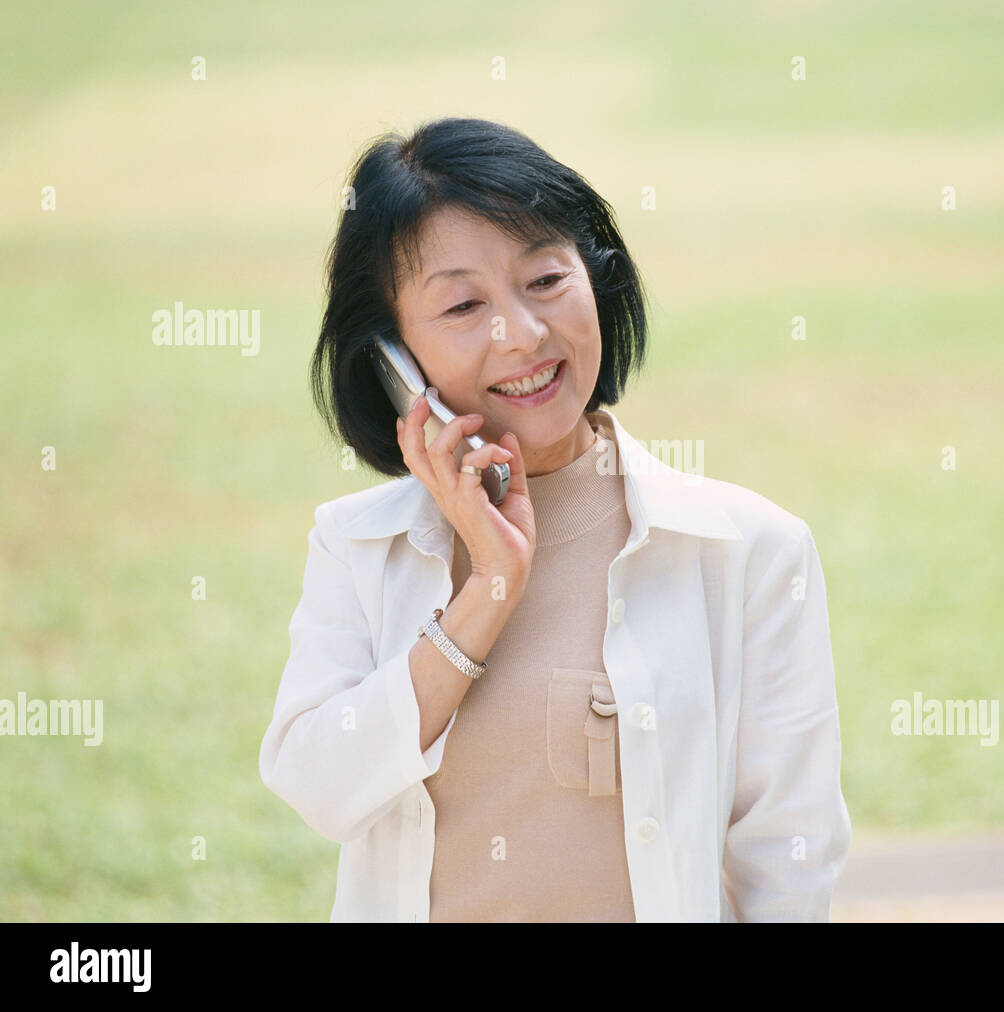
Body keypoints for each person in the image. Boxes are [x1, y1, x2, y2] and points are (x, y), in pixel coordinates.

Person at [258, 116, 852, 921]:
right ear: (395, 359)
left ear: (596, 282)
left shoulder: (749, 552)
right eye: (464, 305)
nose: (523, 334)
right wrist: (487, 592)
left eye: (545, 281)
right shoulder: (359, 547)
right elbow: (321, 789)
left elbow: (789, 861)